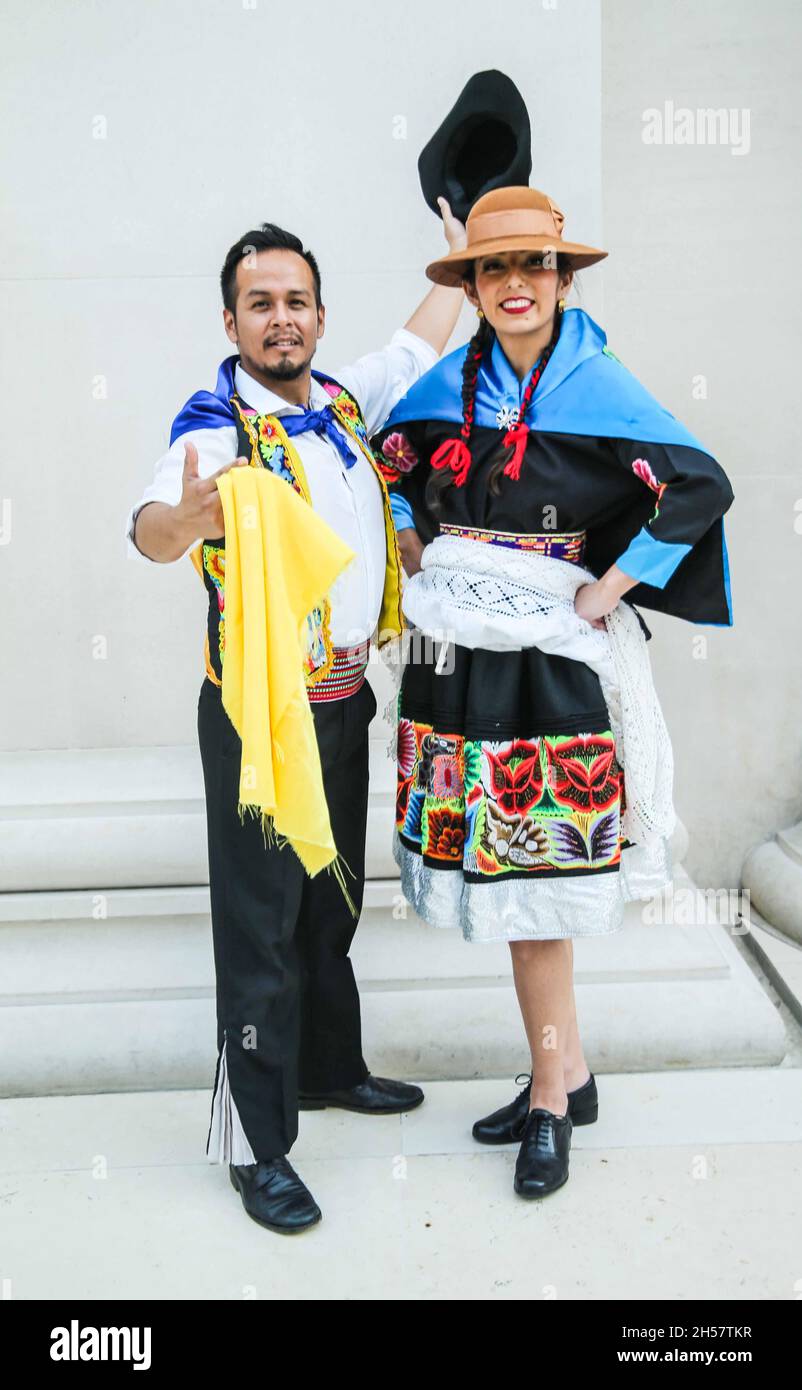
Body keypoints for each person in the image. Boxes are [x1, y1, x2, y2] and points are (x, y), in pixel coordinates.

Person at [371, 185, 734, 1201]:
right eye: (494, 268)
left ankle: (545, 1095)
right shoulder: (447, 382)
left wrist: (608, 588)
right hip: (459, 659)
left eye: (534, 266)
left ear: (561, 279)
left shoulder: (597, 384)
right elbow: (388, 466)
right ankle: (566, 1075)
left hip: (547, 660)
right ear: (473, 285)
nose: (516, 285)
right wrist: (412, 541)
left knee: (536, 888)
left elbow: (697, 484)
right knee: (502, 870)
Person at [125, 207, 466, 1234]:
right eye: (259, 305)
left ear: (319, 315)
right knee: (259, 930)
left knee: (329, 901)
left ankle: (327, 1069)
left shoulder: (343, 404)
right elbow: (150, 531)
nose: (280, 320)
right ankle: (254, 1146)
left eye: (296, 302)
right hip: (258, 713)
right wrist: (187, 521)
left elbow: (420, 340)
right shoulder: (213, 422)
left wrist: (463, 236)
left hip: (342, 698)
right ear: (230, 322)